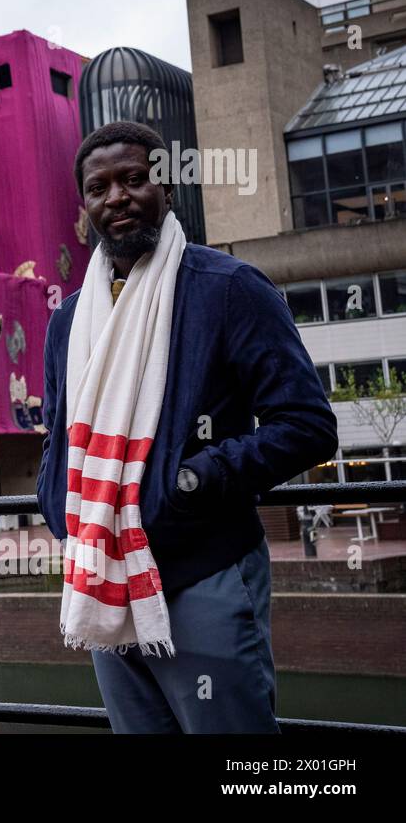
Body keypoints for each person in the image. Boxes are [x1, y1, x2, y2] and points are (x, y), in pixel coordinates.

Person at [35, 121, 338, 733]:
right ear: (84, 207)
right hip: (102, 573)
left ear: (167, 187)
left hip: (206, 570)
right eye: (98, 188)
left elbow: (306, 425)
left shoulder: (228, 289)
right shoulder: (69, 321)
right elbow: (56, 436)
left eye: (133, 178)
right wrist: (56, 500)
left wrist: (195, 480)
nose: (116, 197)